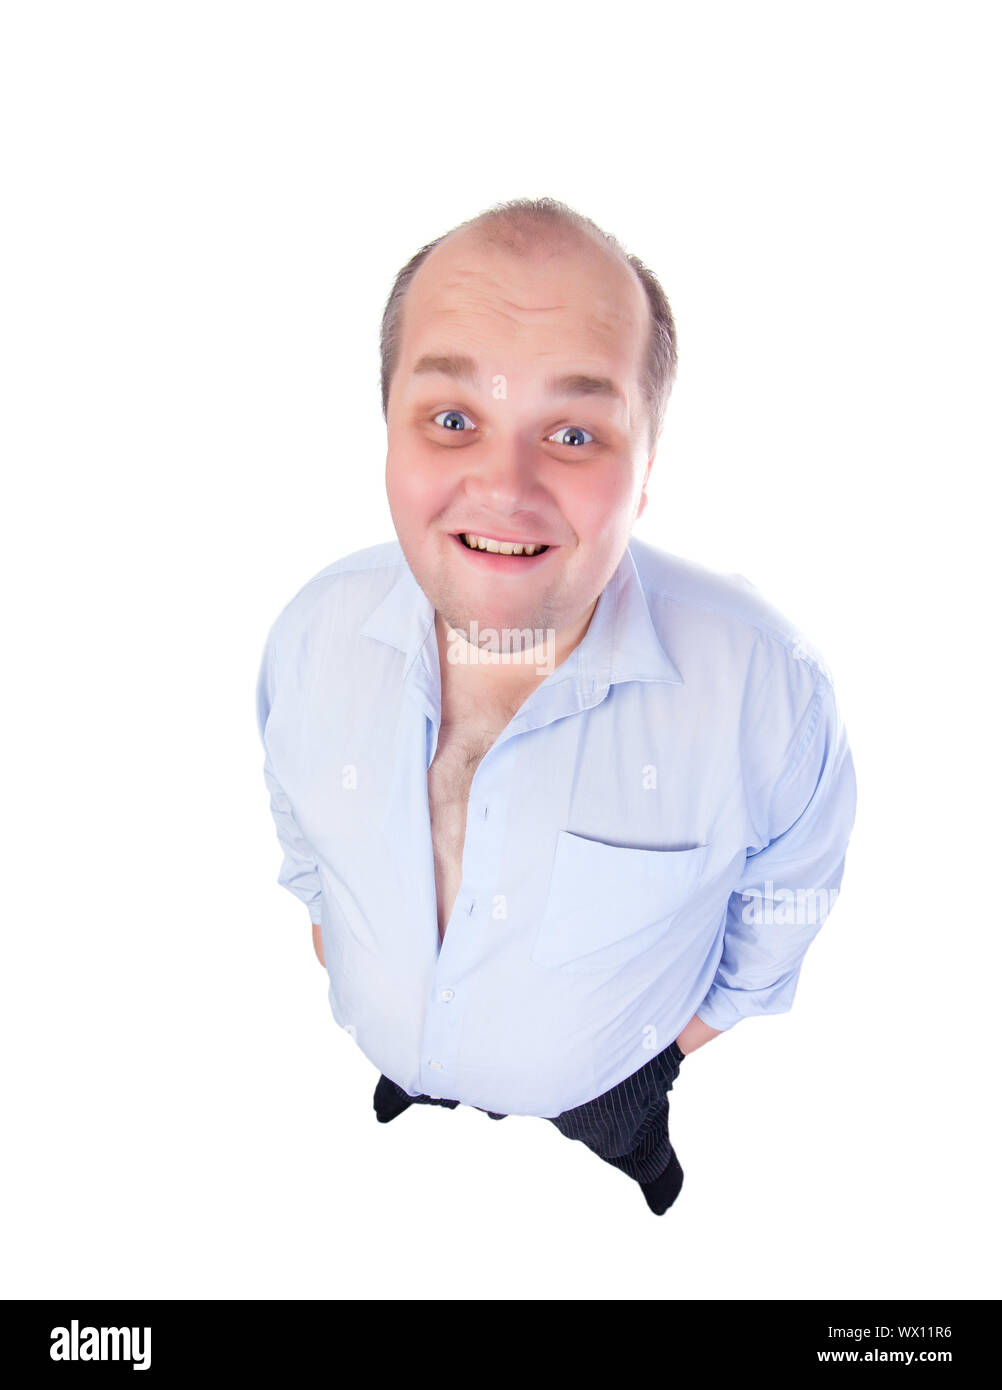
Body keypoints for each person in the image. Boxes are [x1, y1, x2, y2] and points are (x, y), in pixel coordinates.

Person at [255, 196, 857, 1215]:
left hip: (609, 1079)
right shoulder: (312, 633)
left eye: (574, 432)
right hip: (394, 1031)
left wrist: (657, 1053)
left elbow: (786, 898)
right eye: (454, 419)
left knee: (632, 1140)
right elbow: (300, 822)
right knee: (413, 1067)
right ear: (389, 435)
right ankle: (420, 1070)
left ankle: (634, 1140)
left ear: (646, 471)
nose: (505, 485)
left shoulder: (767, 692)